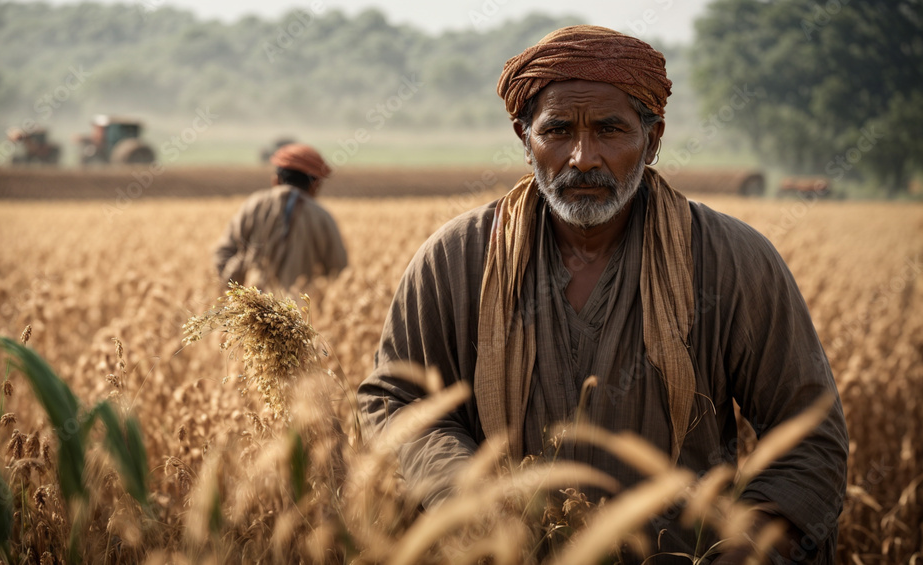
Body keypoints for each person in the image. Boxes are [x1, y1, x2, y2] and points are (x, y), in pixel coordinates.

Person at [356, 25, 847, 564]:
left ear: (652, 138)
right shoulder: (458, 259)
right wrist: (471, 504)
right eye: (558, 131)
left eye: (611, 130)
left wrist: (750, 545)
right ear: (525, 140)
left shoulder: (732, 260)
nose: (583, 158)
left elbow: (809, 436)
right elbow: (397, 403)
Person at [213, 143, 348, 292]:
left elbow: (222, 255)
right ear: (315, 184)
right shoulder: (322, 217)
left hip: (252, 307)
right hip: (303, 310)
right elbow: (339, 271)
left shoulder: (253, 206)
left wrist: (236, 293)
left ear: (276, 179)